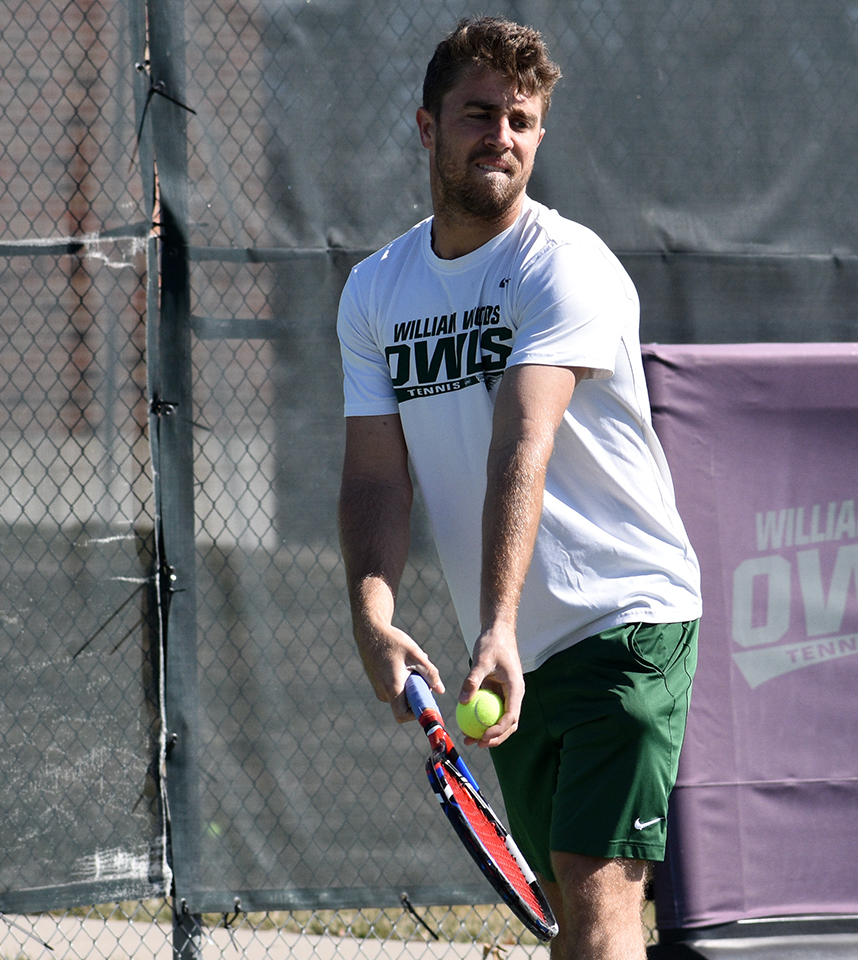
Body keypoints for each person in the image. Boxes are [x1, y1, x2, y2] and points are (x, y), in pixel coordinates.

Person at [336, 18, 701, 960]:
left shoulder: (563, 266)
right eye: (478, 114)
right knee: (567, 912)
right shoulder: (378, 291)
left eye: (521, 119)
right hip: (517, 651)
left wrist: (494, 624)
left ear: (540, 137)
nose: (501, 134)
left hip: (626, 618)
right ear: (427, 129)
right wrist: (372, 616)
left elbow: (522, 438)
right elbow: (377, 476)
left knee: (597, 896)